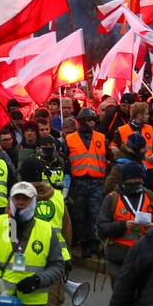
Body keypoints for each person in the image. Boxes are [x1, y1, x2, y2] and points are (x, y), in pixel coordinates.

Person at [20, 157, 73, 306]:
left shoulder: (18, 197)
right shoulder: (58, 196)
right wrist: (67, 256)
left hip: (25, 261)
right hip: (55, 260)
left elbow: (10, 228)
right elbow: (67, 229)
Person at [96, 163, 153, 281]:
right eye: (132, 178)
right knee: (121, 296)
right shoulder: (111, 199)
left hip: (144, 256)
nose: (136, 181)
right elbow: (101, 227)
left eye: (139, 178)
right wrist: (123, 225)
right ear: (124, 180)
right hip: (118, 258)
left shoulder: (151, 197)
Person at [66, 108, 107, 259]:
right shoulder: (69, 139)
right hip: (78, 182)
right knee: (79, 214)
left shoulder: (101, 138)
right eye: (89, 120)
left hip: (96, 182)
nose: (92, 122)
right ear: (81, 121)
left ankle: (95, 243)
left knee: (95, 213)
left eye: (93, 120)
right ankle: (84, 244)